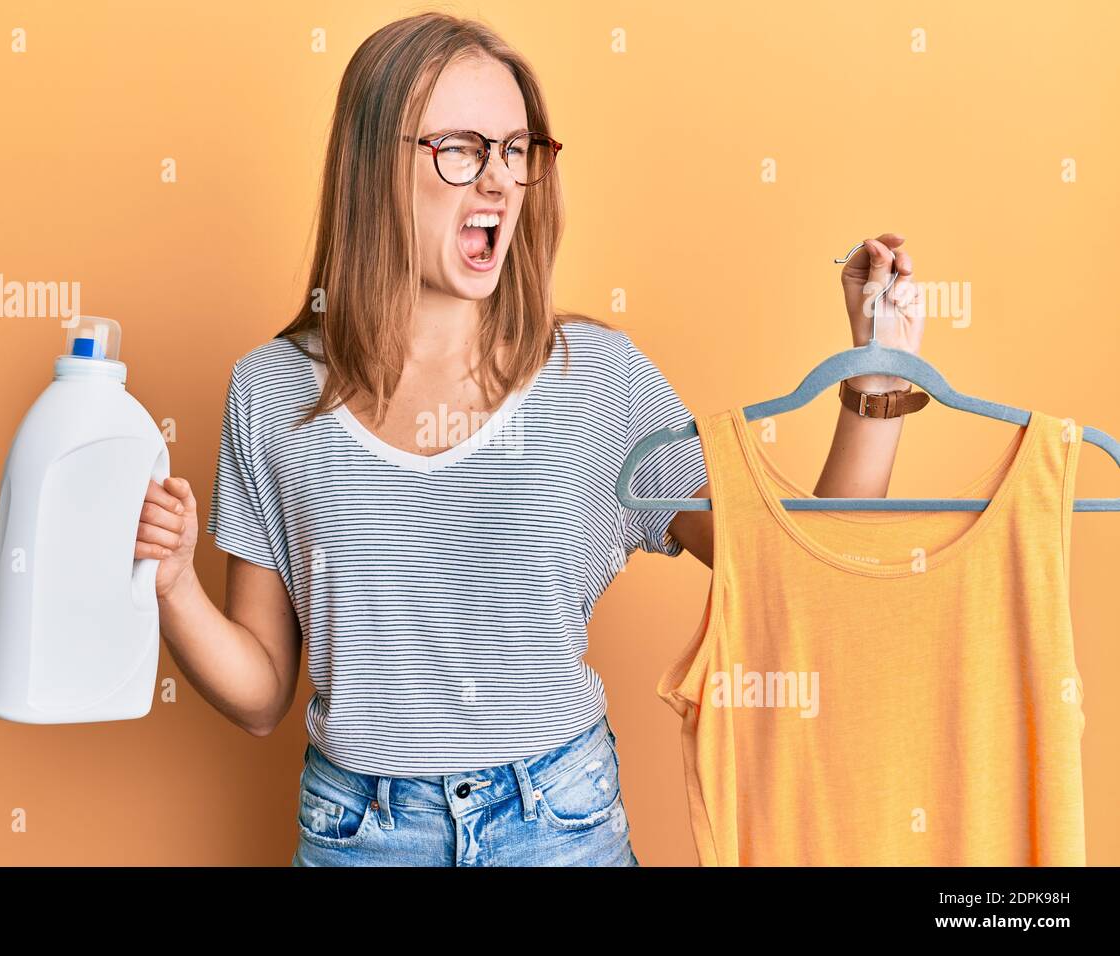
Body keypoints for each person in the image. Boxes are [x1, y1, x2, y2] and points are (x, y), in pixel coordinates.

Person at [137, 12, 924, 866]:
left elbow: (801, 575)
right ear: (371, 167)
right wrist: (174, 585)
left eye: (517, 150)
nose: (500, 182)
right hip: (359, 835)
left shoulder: (600, 382)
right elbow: (260, 696)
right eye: (463, 149)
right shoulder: (271, 391)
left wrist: (874, 383)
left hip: (557, 826)